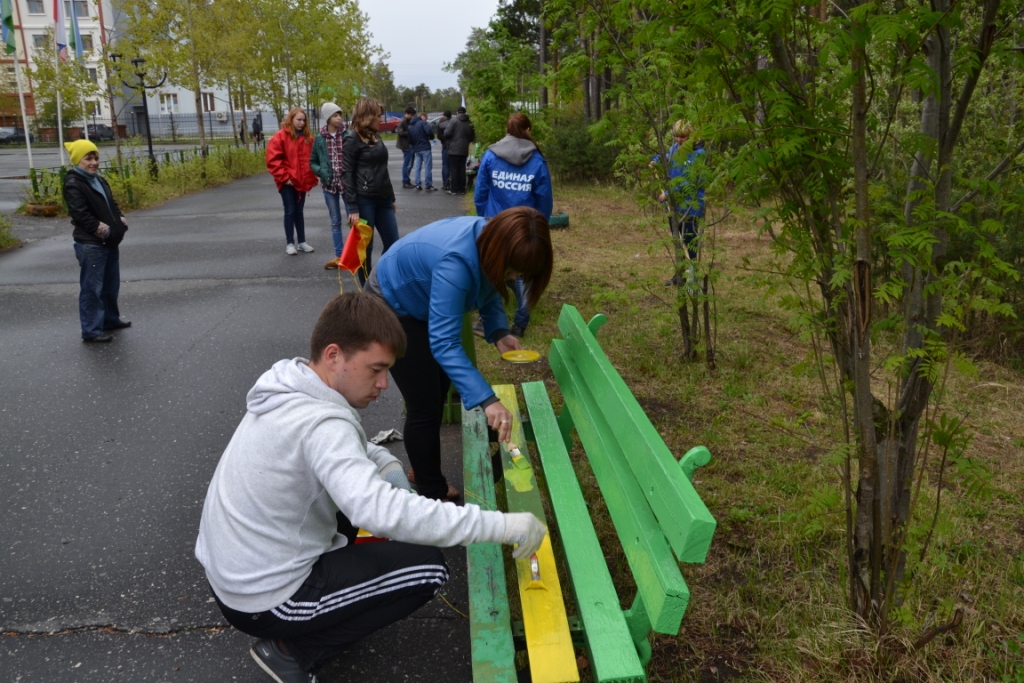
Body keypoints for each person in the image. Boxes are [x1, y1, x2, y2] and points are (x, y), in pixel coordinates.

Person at [196, 292, 546, 683]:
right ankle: (292, 651)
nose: (384, 384)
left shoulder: (293, 387)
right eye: (376, 369)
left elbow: (357, 451)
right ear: (334, 356)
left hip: (234, 569)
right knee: (426, 570)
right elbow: (379, 511)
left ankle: (320, 612)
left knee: (368, 510)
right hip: (265, 598)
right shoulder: (323, 424)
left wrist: (391, 465)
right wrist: (502, 526)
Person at [367, 207, 553, 501]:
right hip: (391, 301)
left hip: (421, 298)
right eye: (512, 272)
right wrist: (487, 400)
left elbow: (487, 284)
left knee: (438, 386)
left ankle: (422, 469)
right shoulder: (456, 262)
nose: (513, 277)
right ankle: (431, 491)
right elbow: (445, 343)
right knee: (424, 402)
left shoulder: (491, 240)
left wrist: (499, 332)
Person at [473, 113, 553, 338]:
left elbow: (480, 192)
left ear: (507, 130)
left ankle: (483, 321)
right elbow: (544, 197)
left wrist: (485, 219)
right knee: (524, 273)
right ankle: (519, 325)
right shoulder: (537, 160)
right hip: (524, 226)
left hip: (494, 221)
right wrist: (539, 225)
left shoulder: (490, 155)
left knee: (491, 268)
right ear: (527, 130)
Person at [63, 139, 131, 344]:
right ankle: (91, 330)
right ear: (78, 160)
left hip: (109, 242)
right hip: (91, 245)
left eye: (96, 158)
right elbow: (80, 215)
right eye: (88, 158)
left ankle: (110, 320)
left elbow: (112, 204)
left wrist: (120, 219)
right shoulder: (74, 183)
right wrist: (104, 231)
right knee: (92, 289)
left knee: (110, 285)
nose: (93, 162)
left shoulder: (98, 180)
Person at [342, 98, 399, 284]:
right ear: (367, 116)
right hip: (364, 200)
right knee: (365, 249)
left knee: (393, 244)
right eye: (378, 115)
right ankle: (367, 288)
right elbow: (347, 173)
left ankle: (378, 280)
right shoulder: (352, 138)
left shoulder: (375, 136)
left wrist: (391, 198)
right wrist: (352, 207)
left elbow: (383, 169)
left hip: (383, 200)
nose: (381, 119)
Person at [655, 119, 706, 285]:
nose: (679, 140)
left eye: (683, 137)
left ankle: (693, 276)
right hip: (674, 205)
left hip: (691, 205)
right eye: (677, 136)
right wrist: (654, 161)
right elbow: (665, 158)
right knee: (677, 238)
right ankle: (679, 274)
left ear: (691, 135)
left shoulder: (698, 154)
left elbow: (689, 182)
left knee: (689, 240)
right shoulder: (674, 149)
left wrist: (668, 194)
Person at [266, 108, 319, 255]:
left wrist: (312, 176)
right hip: (287, 182)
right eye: (298, 120)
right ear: (291, 119)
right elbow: (273, 159)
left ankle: (301, 242)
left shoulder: (308, 138)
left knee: (299, 212)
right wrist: (284, 177)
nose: (301, 123)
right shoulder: (280, 137)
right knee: (290, 210)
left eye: (303, 120)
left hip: (301, 181)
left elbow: (313, 158)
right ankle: (290, 243)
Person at [310, 102, 348, 269]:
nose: (339, 118)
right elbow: (313, 162)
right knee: (335, 221)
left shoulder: (347, 135)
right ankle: (339, 256)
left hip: (347, 184)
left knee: (354, 220)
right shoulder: (320, 138)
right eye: (335, 115)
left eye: (340, 114)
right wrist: (322, 171)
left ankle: (353, 256)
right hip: (329, 185)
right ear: (328, 118)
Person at [443, 106, 475, 195]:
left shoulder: (453, 121)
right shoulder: (469, 122)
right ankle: (462, 188)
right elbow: (472, 137)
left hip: (454, 148)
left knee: (454, 169)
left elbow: (447, 133)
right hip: (464, 149)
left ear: (457, 112)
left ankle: (454, 189)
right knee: (462, 169)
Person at [407, 110, 435, 191]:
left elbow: (409, 140)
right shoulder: (422, 123)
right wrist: (431, 137)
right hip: (425, 147)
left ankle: (418, 184)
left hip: (416, 148)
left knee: (417, 167)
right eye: (425, 118)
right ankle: (428, 184)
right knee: (428, 167)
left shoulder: (410, 126)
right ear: (422, 117)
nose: (426, 120)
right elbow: (429, 131)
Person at [395, 106, 414, 189]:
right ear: (406, 114)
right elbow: (400, 132)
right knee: (407, 164)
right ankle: (405, 181)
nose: (411, 116)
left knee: (410, 163)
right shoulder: (402, 122)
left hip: (410, 144)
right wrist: (410, 132)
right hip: (405, 145)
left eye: (412, 115)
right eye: (410, 115)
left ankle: (407, 180)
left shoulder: (410, 121)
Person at [436, 110, 452, 190]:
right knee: (454, 166)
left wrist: (443, 141)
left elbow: (439, 136)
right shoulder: (454, 123)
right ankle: (454, 183)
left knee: (445, 166)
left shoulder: (441, 124)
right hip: (454, 147)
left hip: (445, 146)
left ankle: (445, 184)